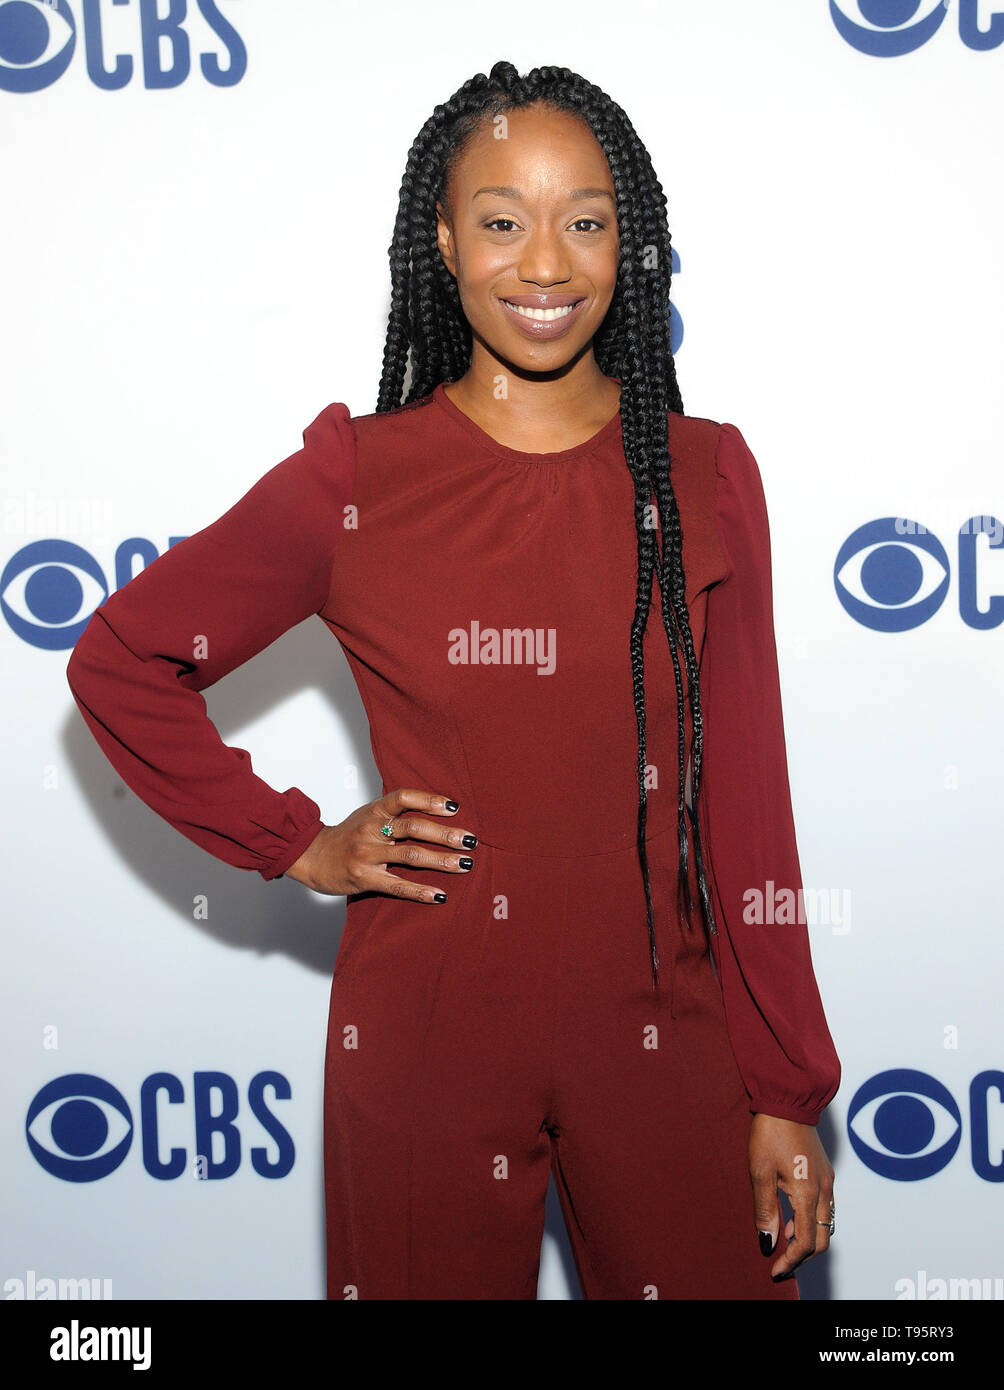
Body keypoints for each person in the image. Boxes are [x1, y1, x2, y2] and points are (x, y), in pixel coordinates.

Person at [66, 59, 840, 1301]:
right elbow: (121, 660)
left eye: (584, 220)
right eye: (499, 221)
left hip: (668, 1029)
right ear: (441, 241)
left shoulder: (704, 475)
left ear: (627, 243)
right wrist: (297, 841)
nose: (544, 264)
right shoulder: (356, 479)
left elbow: (747, 812)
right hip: (425, 1027)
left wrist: (787, 1086)